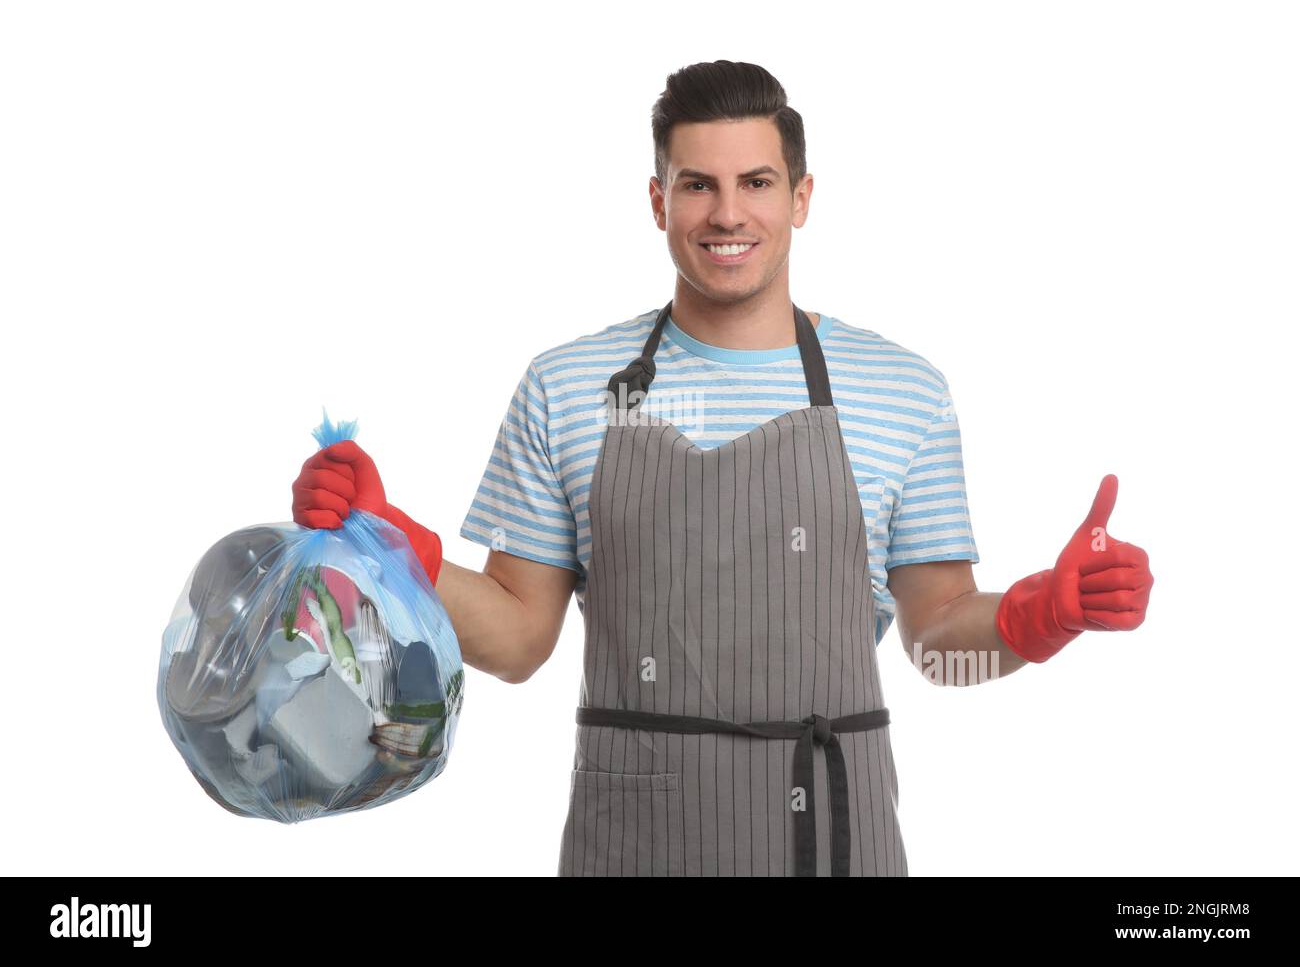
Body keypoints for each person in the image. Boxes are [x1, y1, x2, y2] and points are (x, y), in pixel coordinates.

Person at [291, 59, 1155, 877]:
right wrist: (398, 546)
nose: (727, 214)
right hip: (631, 840)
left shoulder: (903, 392)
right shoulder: (569, 386)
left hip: (826, 836)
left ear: (802, 197)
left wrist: (1043, 615)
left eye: (757, 183)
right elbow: (519, 641)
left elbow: (935, 643)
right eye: (698, 184)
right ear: (658, 199)